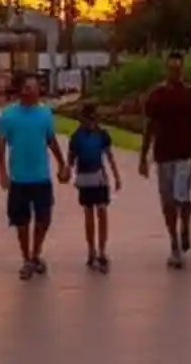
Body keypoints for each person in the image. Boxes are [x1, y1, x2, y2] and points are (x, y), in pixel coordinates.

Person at [138, 51, 191, 269]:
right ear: (167, 69)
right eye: (172, 69)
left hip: (184, 155)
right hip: (163, 155)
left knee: (181, 197)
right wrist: (143, 156)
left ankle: (185, 224)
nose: (175, 73)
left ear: (183, 70)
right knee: (168, 203)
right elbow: (149, 127)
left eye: (178, 69)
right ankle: (174, 242)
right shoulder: (157, 96)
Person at [0, 73, 70, 280]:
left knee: (43, 220)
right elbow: (1, 144)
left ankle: (36, 253)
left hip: (41, 177)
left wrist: (62, 164)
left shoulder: (45, 114)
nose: (30, 91)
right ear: (21, 90)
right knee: (21, 221)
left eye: (34, 87)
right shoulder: (8, 116)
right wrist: (2, 172)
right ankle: (26, 258)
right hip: (19, 178)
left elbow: (51, 140)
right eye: (27, 87)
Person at [67, 102, 122, 273]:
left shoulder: (102, 135)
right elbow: (71, 158)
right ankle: (92, 249)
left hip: (98, 177)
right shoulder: (77, 137)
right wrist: (66, 171)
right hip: (85, 178)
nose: (91, 122)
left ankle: (102, 250)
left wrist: (116, 175)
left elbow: (109, 155)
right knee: (89, 213)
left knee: (102, 211)